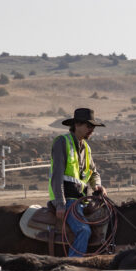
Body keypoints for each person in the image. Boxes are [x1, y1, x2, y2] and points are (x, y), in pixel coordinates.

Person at [48, 108, 107, 256]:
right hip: (67, 200)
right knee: (83, 230)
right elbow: (57, 175)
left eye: (93, 127)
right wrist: (60, 203)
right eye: (89, 126)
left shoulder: (86, 148)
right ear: (77, 125)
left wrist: (97, 185)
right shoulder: (62, 142)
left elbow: (93, 172)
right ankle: (73, 265)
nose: (92, 130)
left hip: (82, 201)